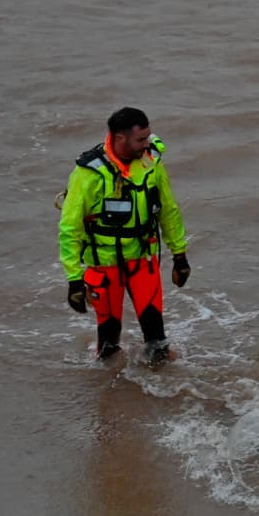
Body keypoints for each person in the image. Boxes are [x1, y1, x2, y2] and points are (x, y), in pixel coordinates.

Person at [58, 107, 191, 365]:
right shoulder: (88, 174)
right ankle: (110, 396)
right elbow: (69, 227)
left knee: (157, 338)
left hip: (143, 258)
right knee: (108, 342)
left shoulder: (151, 163)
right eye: (141, 140)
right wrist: (74, 279)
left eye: (148, 137)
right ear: (120, 139)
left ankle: (162, 392)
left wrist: (180, 255)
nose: (147, 144)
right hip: (103, 264)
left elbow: (169, 210)